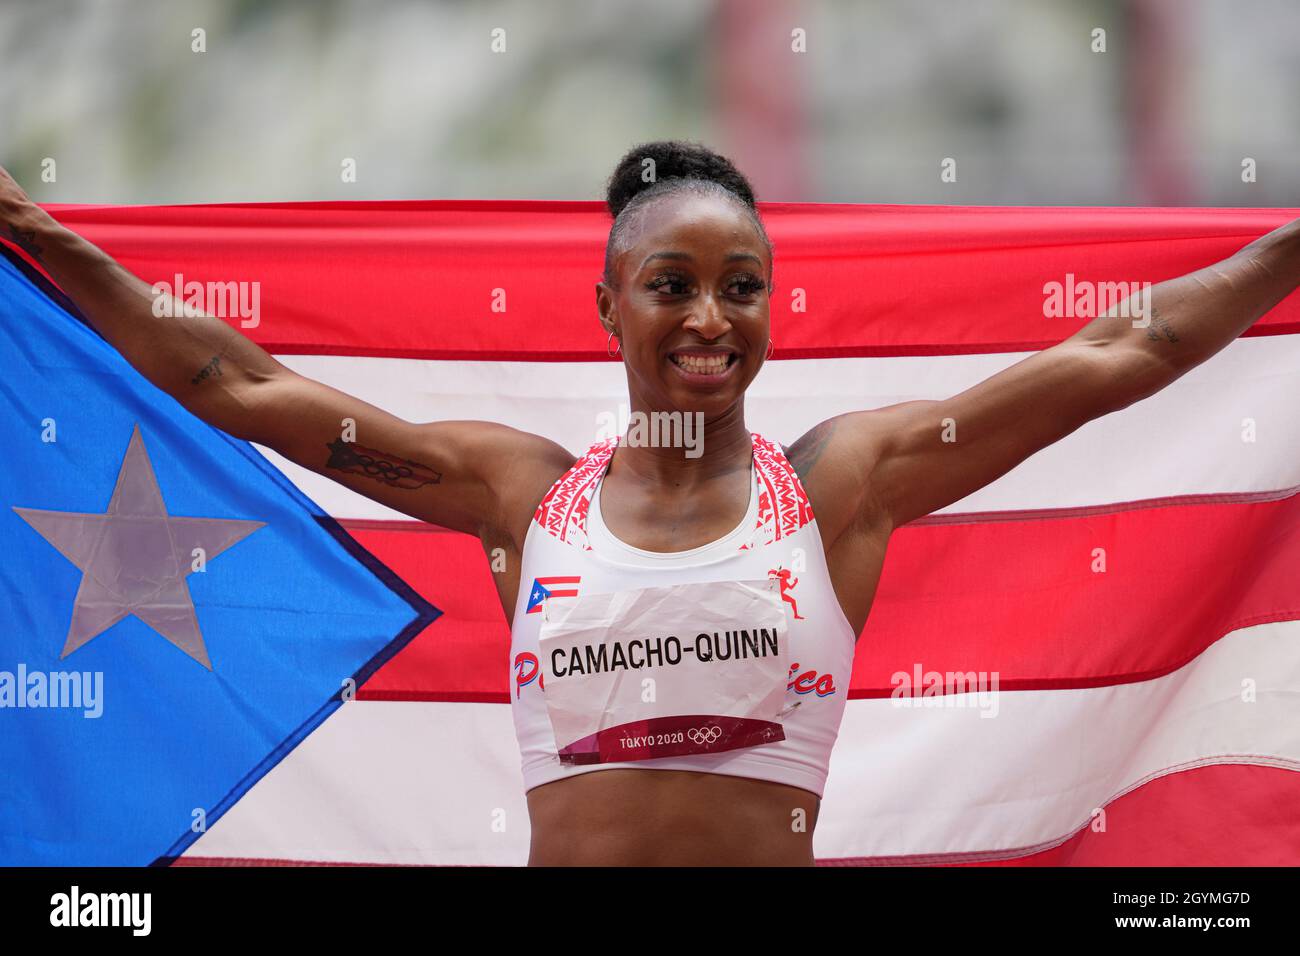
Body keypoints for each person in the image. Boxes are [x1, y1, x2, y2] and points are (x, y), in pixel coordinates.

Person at [1, 141, 1296, 867]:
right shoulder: (518, 499)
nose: (710, 316)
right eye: (672, 282)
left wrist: (1287, 250)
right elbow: (237, 380)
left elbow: (1114, 358)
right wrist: (34, 230)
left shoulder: (842, 486)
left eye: (743, 287)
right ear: (609, 306)